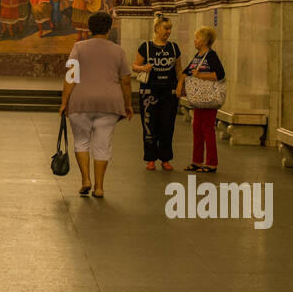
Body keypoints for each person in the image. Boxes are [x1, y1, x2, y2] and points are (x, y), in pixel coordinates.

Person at [61, 12, 133, 199]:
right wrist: (128, 104)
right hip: (109, 103)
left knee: (81, 142)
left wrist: (64, 102)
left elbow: (71, 76)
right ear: (109, 29)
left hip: (80, 101)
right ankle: (99, 187)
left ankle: (85, 180)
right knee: (103, 144)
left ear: (90, 28)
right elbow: (126, 80)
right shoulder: (118, 51)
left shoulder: (78, 47)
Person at [133, 14, 183, 171]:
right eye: (165, 28)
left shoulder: (173, 48)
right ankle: (150, 158)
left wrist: (181, 85)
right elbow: (134, 66)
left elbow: (178, 69)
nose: (168, 32)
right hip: (149, 92)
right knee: (149, 125)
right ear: (157, 29)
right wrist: (143, 68)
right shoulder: (146, 47)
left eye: (170, 29)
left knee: (167, 126)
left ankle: (165, 159)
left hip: (169, 92)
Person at [177, 26, 226, 173]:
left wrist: (200, 76)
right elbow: (186, 71)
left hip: (209, 99)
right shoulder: (198, 56)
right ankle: (197, 161)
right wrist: (180, 83)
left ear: (204, 40)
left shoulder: (211, 56)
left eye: (197, 38)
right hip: (198, 99)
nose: (195, 40)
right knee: (197, 129)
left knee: (207, 130)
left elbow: (220, 74)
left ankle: (211, 163)